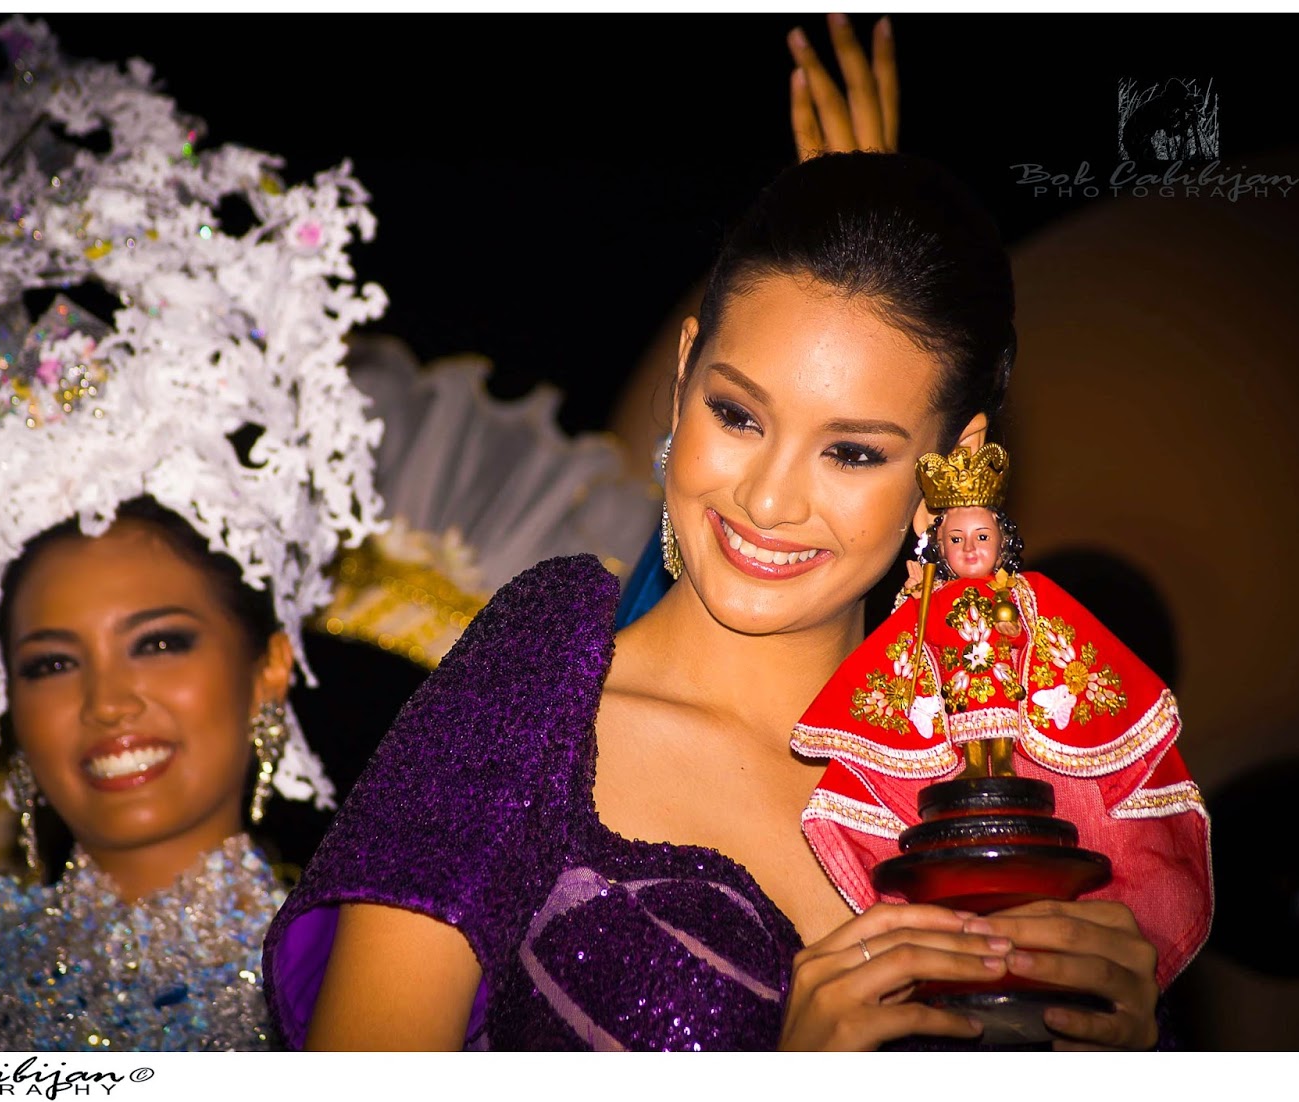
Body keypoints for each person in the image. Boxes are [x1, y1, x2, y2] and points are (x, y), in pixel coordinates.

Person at [263, 149, 1169, 1052]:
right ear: (687, 367)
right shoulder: (544, 688)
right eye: (738, 416)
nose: (768, 502)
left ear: (950, 465)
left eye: (852, 452)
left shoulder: (1006, 786)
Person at [0, 16, 387, 1051]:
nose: (107, 702)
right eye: (49, 662)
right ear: (4, 702)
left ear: (266, 666)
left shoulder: (369, 988)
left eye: (160, 640)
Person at [792, 442, 1212, 1000]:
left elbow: (1039, 638)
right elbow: (912, 645)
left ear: (1002, 540)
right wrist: (917, 601)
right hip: (965, 686)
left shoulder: (1020, 595)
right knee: (972, 739)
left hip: (999, 686)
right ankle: (974, 770)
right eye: (957, 541)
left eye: (981, 538)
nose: (969, 550)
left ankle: (997, 770)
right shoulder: (934, 601)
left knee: (996, 742)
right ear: (936, 542)